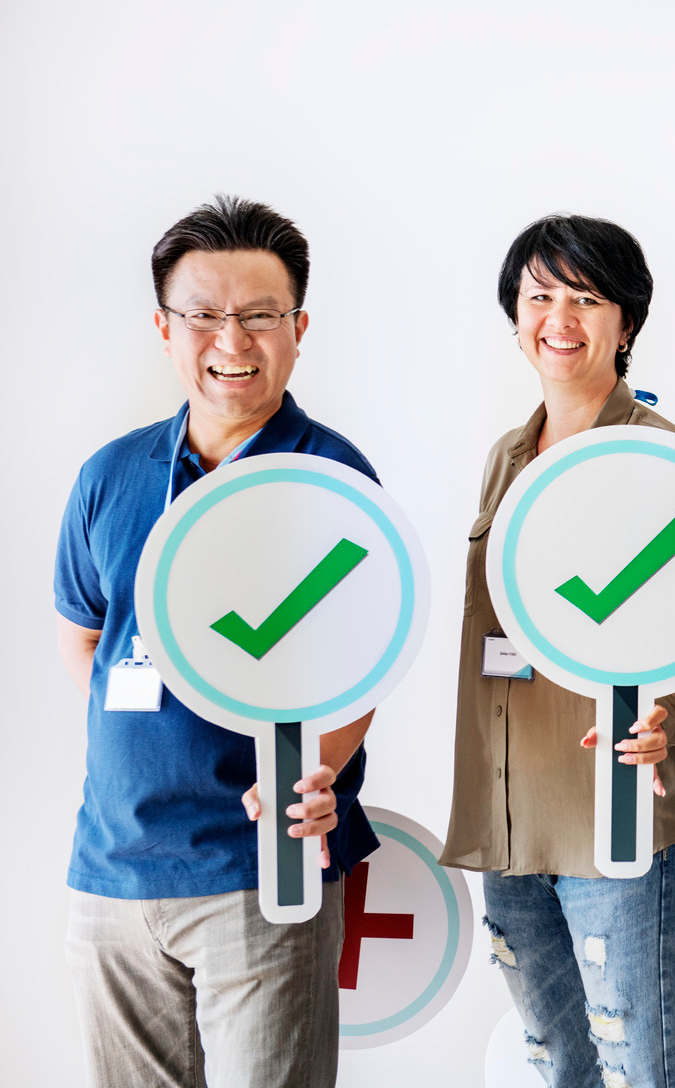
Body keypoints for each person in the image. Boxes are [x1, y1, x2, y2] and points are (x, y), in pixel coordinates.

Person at [53, 195, 380, 1088]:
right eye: (203, 314)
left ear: (299, 327)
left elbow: (364, 670)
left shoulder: (334, 479)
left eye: (260, 315)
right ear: (164, 328)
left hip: (258, 865)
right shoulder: (112, 474)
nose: (231, 339)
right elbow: (86, 635)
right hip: (111, 871)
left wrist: (321, 766)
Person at [439, 214, 675, 1088]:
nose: (558, 316)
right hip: (514, 830)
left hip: (621, 825)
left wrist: (670, 716)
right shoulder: (507, 456)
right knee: (559, 1068)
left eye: (586, 297)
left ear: (625, 322)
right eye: (539, 295)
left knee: (651, 1073)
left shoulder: (662, 456)